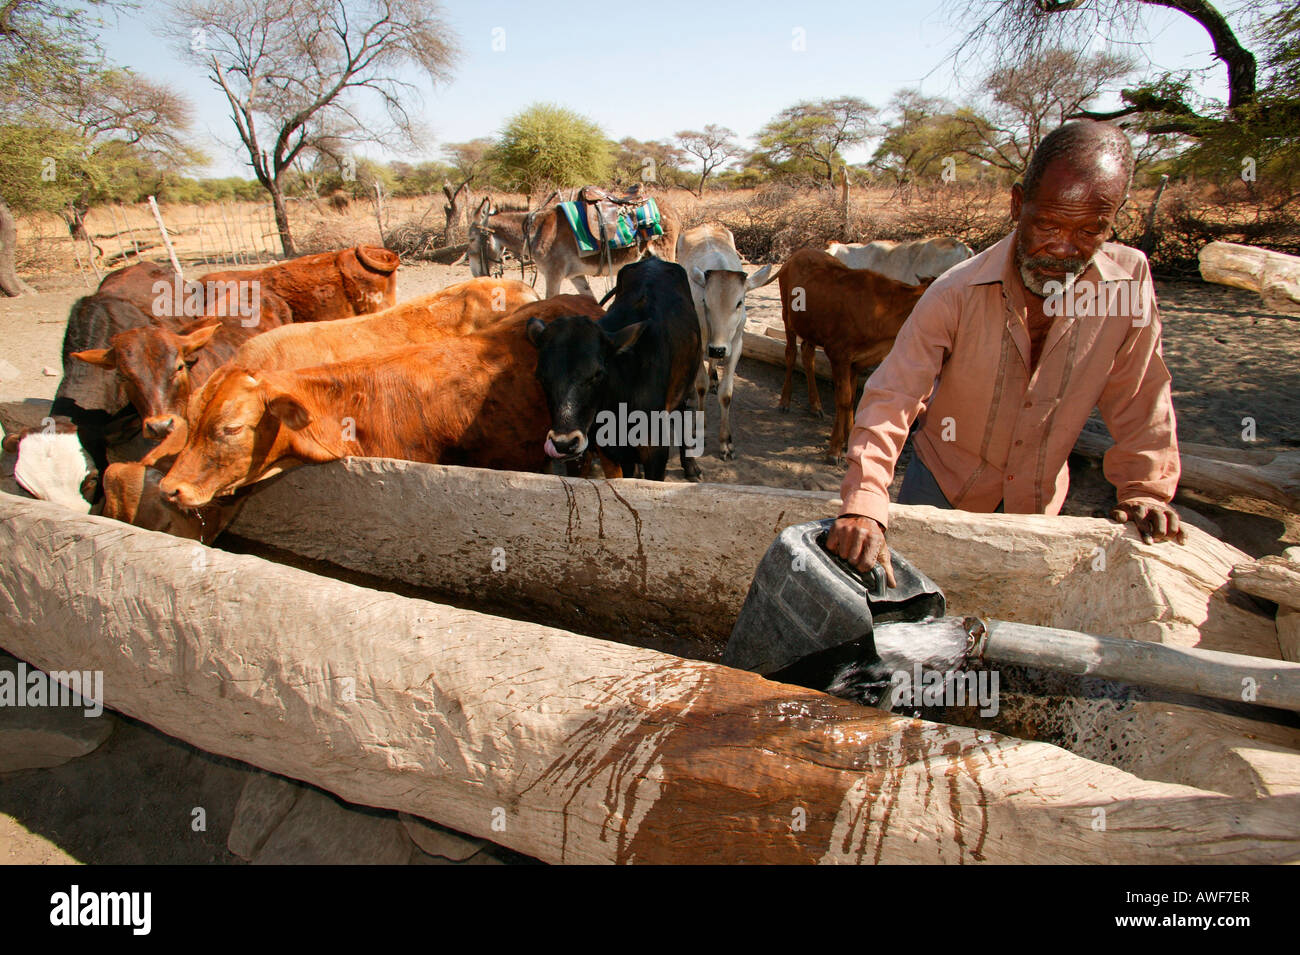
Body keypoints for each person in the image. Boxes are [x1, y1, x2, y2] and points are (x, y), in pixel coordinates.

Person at [827, 120, 1184, 584]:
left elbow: (1140, 391)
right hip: (943, 489)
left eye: (1091, 230)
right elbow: (893, 394)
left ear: (1114, 218)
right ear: (1018, 205)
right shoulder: (955, 291)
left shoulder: (1127, 281)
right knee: (918, 608)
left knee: (1011, 609)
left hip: (1038, 503)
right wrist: (867, 503)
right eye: (1048, 223)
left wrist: (1145, 488)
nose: (1063, 248)